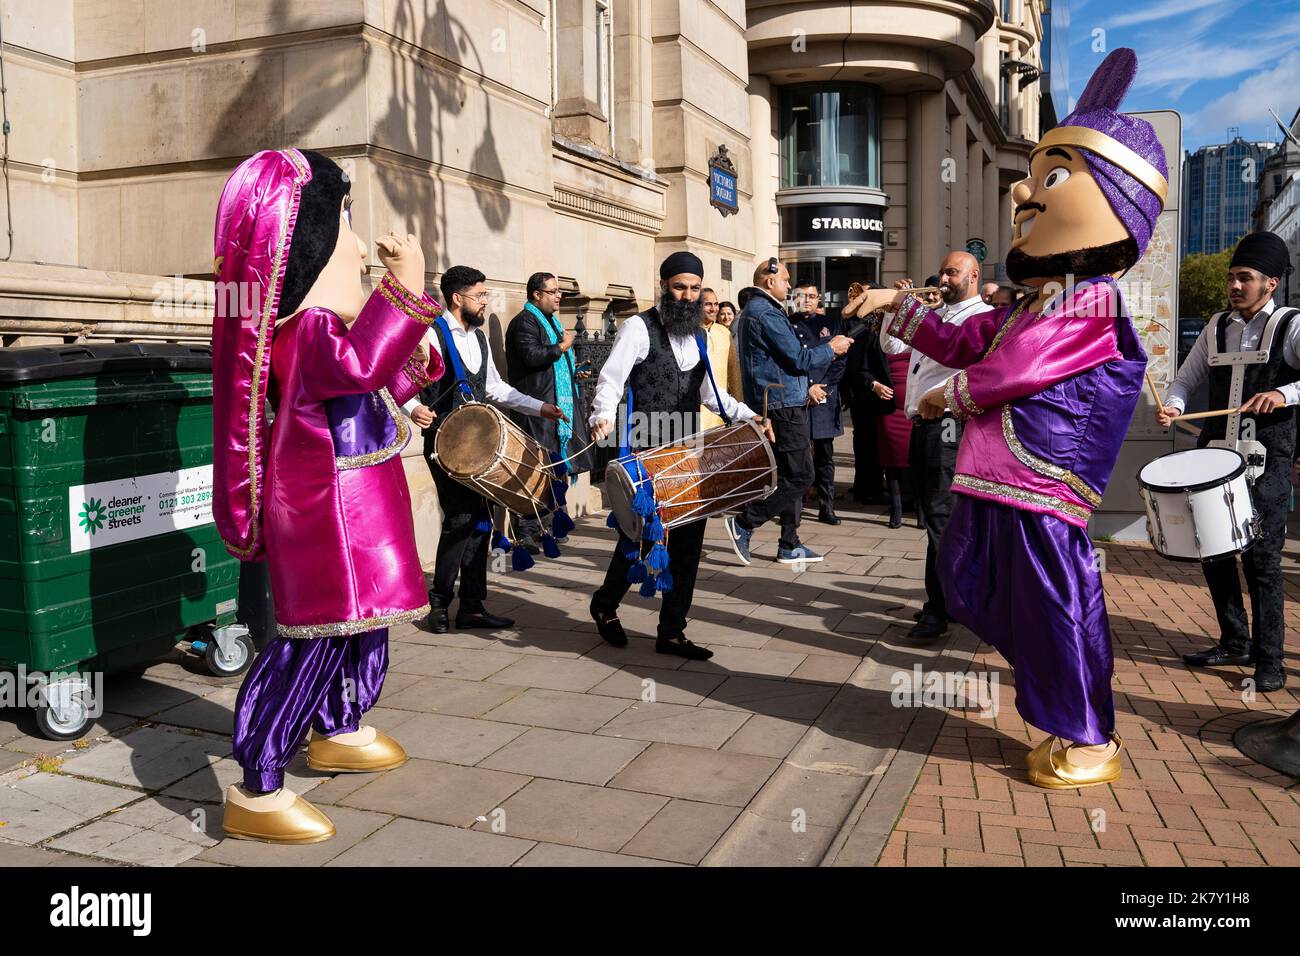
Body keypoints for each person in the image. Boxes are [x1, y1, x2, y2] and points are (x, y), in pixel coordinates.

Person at [849, 48, 1164, 789]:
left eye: (1051, 178)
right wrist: (895, 306)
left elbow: (1012, 372)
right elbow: (962, 341)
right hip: (997, 480)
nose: (1025, 191)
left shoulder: (1090, 301)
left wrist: (942, 398)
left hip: (1045, 486)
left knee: (1059, 609)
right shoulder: (1033, 302)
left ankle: (1087, 734)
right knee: (969, 580)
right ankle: (1059, 706)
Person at [212, 149, 445, 843]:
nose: (359, 240)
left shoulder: (322, 323)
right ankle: (258, 785)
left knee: (363, 620)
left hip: (359, 498)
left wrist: (408, 331)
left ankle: (338, 726)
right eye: (342, 216)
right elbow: (359, 366)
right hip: (324, 506)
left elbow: (381, 376)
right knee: (313, 634)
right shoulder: (307, 328)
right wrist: (408, 285)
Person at [587, 252, 765, 660]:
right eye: (679, 287)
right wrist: (601, 416)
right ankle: (605, 603)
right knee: (642, 536)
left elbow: (711, 396)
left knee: (688, 540)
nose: (687, 296)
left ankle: (672, 631)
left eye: (694, 288)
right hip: (647, 445)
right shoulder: (638, 326)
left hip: (687, 449)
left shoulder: (699, 336)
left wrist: (750, 416)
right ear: (664, 286)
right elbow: (611, 379)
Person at [1158, 231, 1298, 694]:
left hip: (1267, 459)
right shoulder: (1217, 325)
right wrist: (1174, 405)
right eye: (1232, 278)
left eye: (1246, 278)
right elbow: (1185, 378)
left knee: (1262, 560)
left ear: (1271, 283)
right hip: (1215, 457)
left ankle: (1270, 658)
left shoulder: (1291, 326)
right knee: (1214, 549)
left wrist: (1282, 392)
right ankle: (1234, 639)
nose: (1235, 286)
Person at [404, 265, 566, 634]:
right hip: (445, 446)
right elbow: (399, 379)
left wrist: (538, 406)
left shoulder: (478, 339)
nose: (485, 301)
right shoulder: (431, 334)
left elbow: (495, 388)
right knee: (460, 520)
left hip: (483, 446)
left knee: (481, 522)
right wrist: (413, 408)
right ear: (457, 298)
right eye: (479, 295)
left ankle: (473, 606)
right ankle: (440, 604)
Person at [878, 256, 984, 640]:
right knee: (935, 518)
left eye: (951, 272)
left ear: (973, 276)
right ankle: (953, 601)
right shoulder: (936, 313)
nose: (942, 278)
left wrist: (915, 313)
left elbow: (949, 355)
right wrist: (895, 309)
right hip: (923, 426)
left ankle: (938, 611)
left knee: (940, 518)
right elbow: (891, 345)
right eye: (942, 271)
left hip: (948, 426)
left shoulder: (978, 317)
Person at [724, 258, 853, 564]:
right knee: (802, 475)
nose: (789, 287)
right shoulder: (765, 312)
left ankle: (789, 542)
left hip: (781, 402)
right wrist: (830, 349)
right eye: (785, 281)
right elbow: (797, 359)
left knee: (789, 474)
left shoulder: (759, 311)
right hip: (783, 405)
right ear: (769, 281)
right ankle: (744, 522)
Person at [505, 271, 591, 552]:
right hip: (535, 409)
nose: (559, 296)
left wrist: (573, 370)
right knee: (534, 469)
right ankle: (528, 531)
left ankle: (552, 525)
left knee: (555, 468)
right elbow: (532, 357)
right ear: (536, 295)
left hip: (554, 409)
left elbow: (553, 365)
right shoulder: (524, 323)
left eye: (559, 291)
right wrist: (563, 346)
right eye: (553, 291)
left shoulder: (552, 322)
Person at [790, 284, 847, 524]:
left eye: (812, 297)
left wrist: (822, 388)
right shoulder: (785, 324)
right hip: (798, 396)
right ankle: (794, 508)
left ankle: (827, 507)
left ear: (818, 299)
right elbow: (788, 360)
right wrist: (807, 387)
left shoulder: (832, 324)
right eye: (802, 297)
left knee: (825, 458)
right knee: (797, 457)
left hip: (824, 398)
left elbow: (840, 360)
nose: (807, 301)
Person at [699, 287, 743, 428]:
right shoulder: (688, 332)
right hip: (697, 409)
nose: (713, 309)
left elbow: (733, 371)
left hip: (722, 407)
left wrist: (739, 407)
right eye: (708, 304)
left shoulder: (724, 332)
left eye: (716, 304)